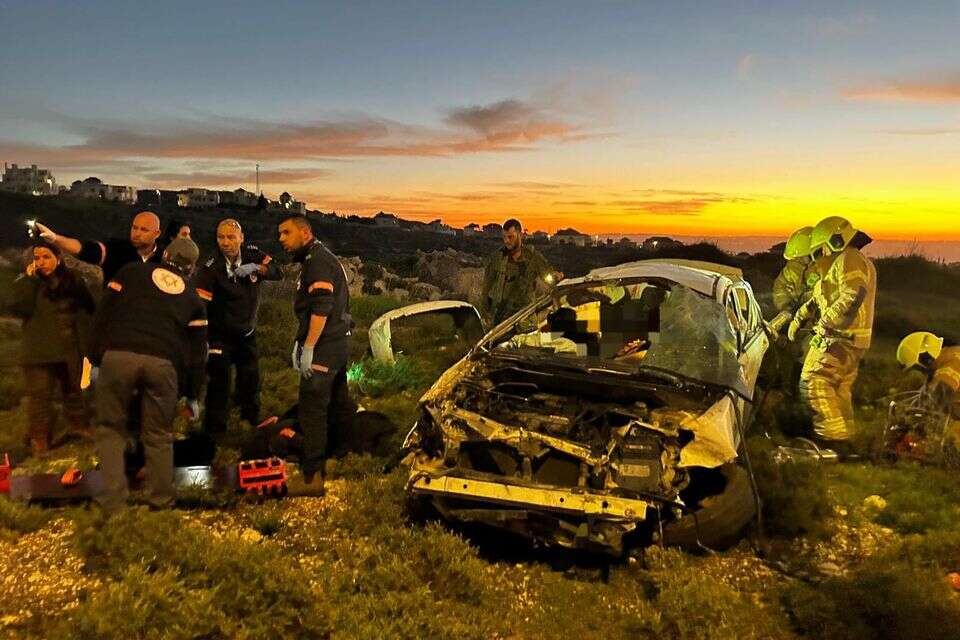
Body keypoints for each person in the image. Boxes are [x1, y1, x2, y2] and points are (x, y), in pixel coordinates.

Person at [88, 238, 207, 511]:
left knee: (110, 430)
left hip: (119, 356)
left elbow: (102, 316)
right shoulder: (192, 296)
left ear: (165, 254)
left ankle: (114, 502)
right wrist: (193, 395)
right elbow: (198, 353)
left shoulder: (130, 272)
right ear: (192, 267)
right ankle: (161, 501)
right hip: (163, 364)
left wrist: (95, 359)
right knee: (159, 435)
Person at [278, 214, 353, 496]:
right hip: (337, 344)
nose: (281, 239)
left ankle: (311, 478)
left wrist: (309, 346)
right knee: (337, 404)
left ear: (305, 233)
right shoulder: (318, 259)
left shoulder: (318, 262)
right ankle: (341, 458)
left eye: (286, 233)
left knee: (312, 410)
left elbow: (322, 307)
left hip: (325, 346)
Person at [788, 216, 876, 454]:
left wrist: (826, 323)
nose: (815, 260)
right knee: (839, 389)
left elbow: (853, 294)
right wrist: (798, 318)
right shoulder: (845, 262)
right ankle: (847, 438)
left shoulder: (849, 258)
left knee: (814, 381)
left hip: (842, 337)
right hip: (850, 338)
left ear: (833, 242)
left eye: (816, 253)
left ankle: (832, 441)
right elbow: (820, 298)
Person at [6, 244, 96, 457]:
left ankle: (78, 427)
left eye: (46, 257)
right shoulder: (30, 282)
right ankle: (39, 440)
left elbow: (89, 305)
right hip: (38, 350)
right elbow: (18, 306)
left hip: (68, 347)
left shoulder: (72, 279)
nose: (41, 262)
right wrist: (29, 280)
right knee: (40, 397)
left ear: (58, 257)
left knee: (73, 391)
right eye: (37, 257)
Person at [194, 219, 282, 433]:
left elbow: (278, 271)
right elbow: (200, 306)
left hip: (246, 333)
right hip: (219, 336)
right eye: (221, 237)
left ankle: (249, 423)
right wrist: (199, 339)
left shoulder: (253, 254)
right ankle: (214, 432)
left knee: (250, 380)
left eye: (231, 237)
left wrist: (257, 269)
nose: (225, 242)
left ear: (241, 238)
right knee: (219, 384)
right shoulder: (211, 267)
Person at [33, 211, 163, 283]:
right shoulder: (118, 249)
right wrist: (55, 238)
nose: (137, 233)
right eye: (135, 228)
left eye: (144, 230)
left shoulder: (165, 259)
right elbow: (85, 249)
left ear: (156, 233)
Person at [481, 218, 562, 325]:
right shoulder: (497, 258)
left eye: (510, 237)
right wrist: (485, 313)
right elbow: (486, 287)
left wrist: (556, 278)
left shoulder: (533, 258)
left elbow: (548, 278)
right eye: (504, 237)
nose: (506, 241)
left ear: (520, 235)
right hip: (501, 321)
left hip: (525, 319)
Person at [896, 331, 960, 458]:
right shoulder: (944, 360)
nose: (922, 372)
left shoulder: (952, 362)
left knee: (950, 441)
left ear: (926, 358)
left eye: (919, 368)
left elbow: (939, 395)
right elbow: (925, 397)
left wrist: (915, 432)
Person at [772, 226, 820, 315]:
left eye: (801, 256)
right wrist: (786, 306)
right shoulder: (791, 269)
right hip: (798, 317)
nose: (798, 259)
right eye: (796, 258)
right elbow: (780, 289)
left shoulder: (825, 268)